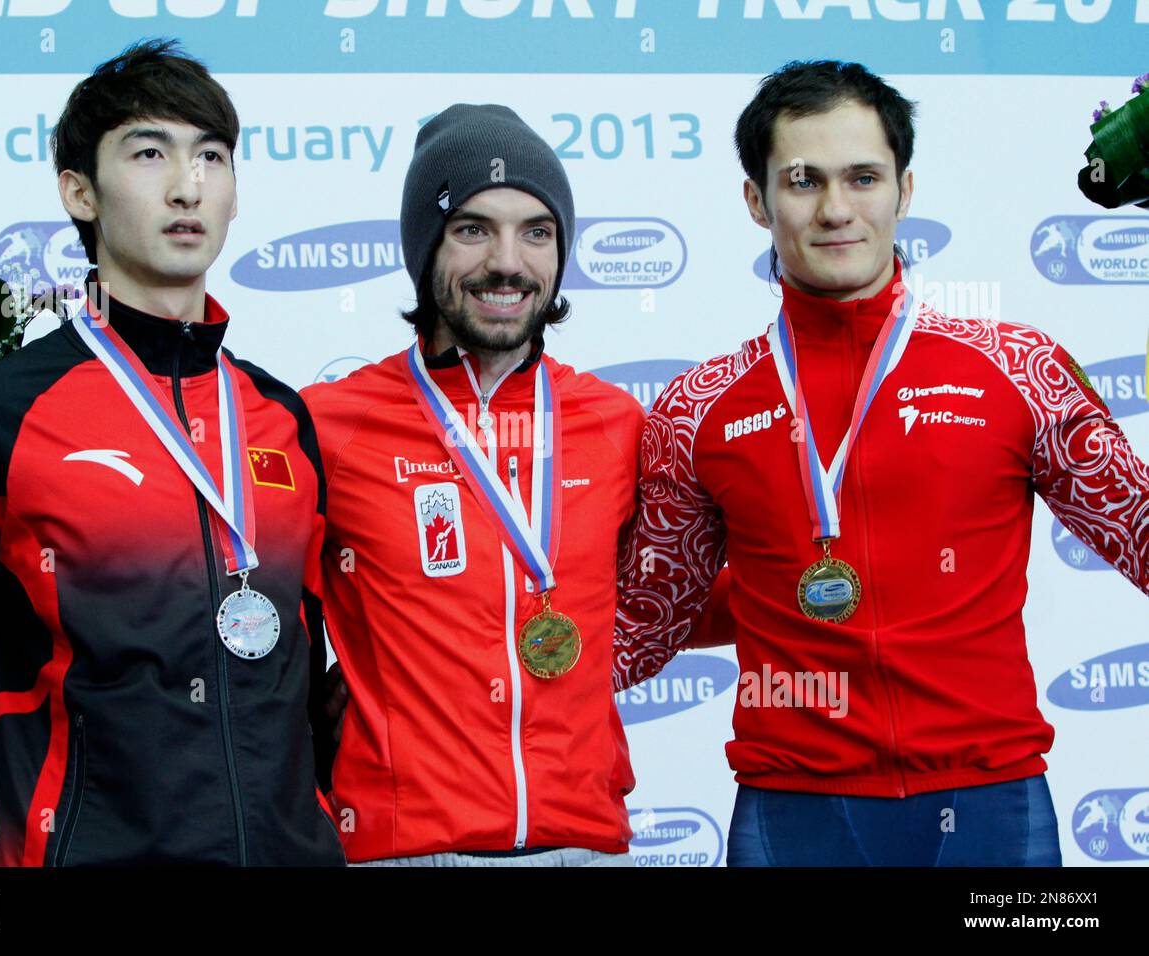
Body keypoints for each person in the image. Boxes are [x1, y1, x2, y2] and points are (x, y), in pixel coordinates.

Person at [615, 60, 1149, 866]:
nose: (836, 210)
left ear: (904, 191)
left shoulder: (1019, 370)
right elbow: (640, 627)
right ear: (756, 200)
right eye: (803, 180)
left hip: (992, 805)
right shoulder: (697, 409)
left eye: (863, 178)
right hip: (793, 810)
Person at [0, 39, 344, 867]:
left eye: (211, 157)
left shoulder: (280, 417)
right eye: (150, 153)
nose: (187, 185)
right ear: (79, 190)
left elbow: (311, 683)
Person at [302, 104, 647, 866]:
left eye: (536, 231)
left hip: (585, 842)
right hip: (402, 847)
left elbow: (669, 593)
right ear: (423, 249)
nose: (508, 262)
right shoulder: (329, 425)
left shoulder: (615, 423)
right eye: (472, 229)